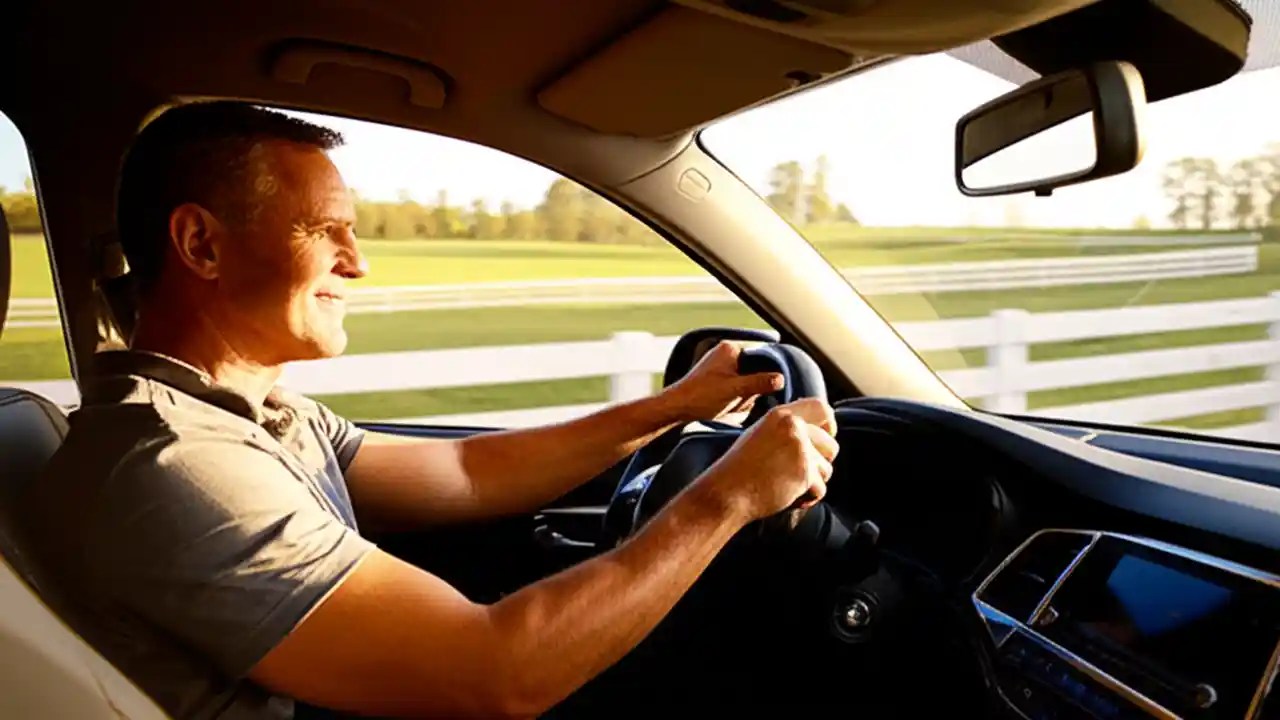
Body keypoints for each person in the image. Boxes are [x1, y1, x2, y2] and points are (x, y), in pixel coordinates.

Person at [20, 102, 840, 719]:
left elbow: (465, 469)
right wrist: (728, 497)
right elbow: (496, 672)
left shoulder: (253, 414)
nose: (358, 262)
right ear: (201, 245)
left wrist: (676, 405)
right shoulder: (176, 463)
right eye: (327, 231)